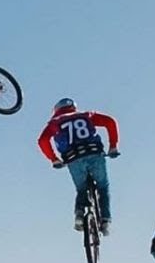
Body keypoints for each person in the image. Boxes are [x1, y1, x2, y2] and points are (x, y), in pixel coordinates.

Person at [38, 97, 120, 234]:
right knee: (103, 187)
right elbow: (110, 121)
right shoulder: (86, 115)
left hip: (73, 158)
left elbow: (42, 140)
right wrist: (113, 146)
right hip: (94, 152)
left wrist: (54, 159)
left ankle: (79, 215)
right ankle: (105, 221)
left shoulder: (55, 122)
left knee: (81, 189)